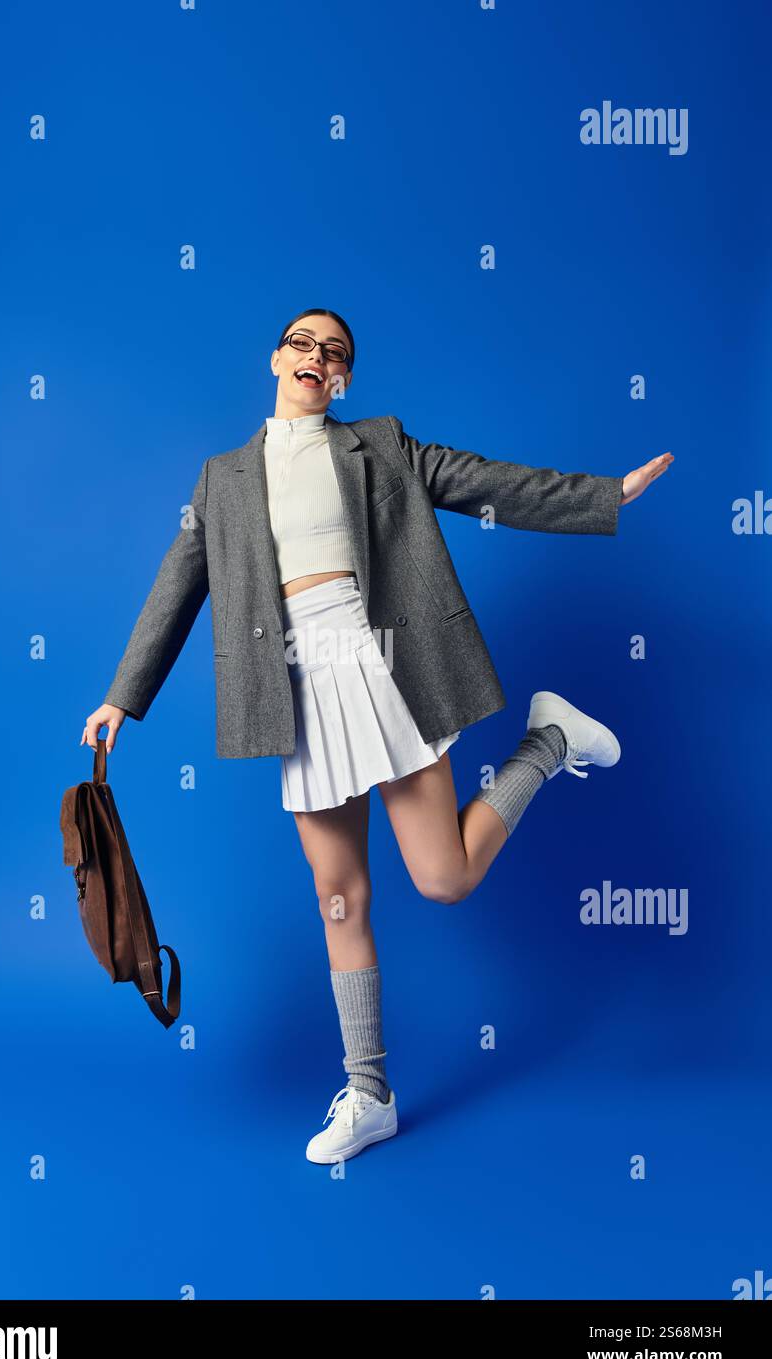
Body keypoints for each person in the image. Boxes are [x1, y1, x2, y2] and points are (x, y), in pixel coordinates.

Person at [82, 307, 672, 1165]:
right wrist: (121, 698)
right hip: (293, 689)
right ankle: (370, 1092)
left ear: (345, 379)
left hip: (381, 663)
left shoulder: (381, 446)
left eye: (336, 352)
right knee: (339, 899)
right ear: (274, 359)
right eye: (302, 344)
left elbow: (486, 483)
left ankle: (548, 742)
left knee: (443, 877)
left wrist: (602, 496)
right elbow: (179, 582)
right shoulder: (222, 479)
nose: (316, 357)